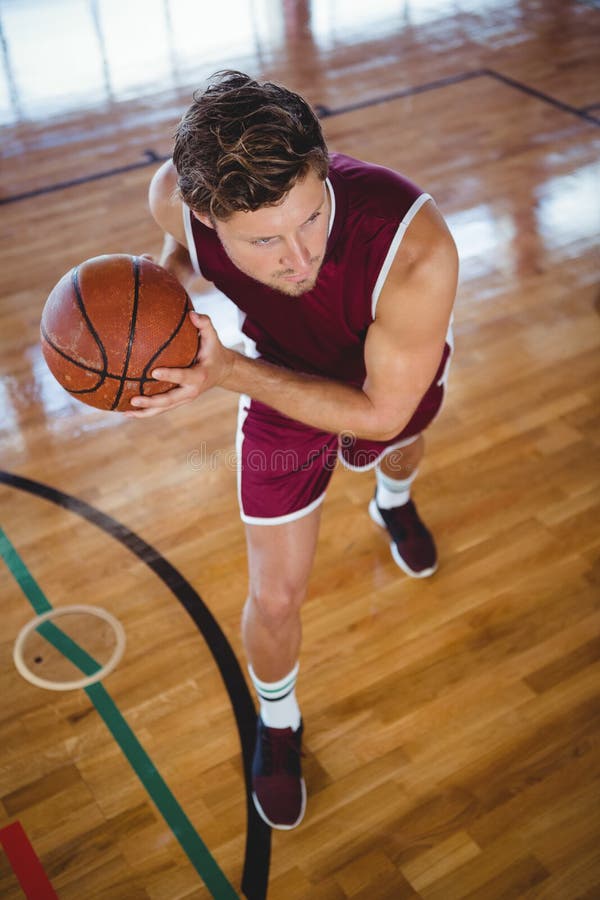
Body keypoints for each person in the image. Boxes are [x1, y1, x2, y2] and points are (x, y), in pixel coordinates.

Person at [127, 70, 458, 830]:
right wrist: (163, 298)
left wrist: (227, 372)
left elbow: (380, 412)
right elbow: (176, 250)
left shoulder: (413, 247)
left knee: (401, 446)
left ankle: (393, 502)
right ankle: (278, 724)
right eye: (266, 240)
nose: (299, 256)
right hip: (282, 382)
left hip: (385, 383)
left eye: (311, 219)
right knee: (275, 595)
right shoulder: (174, 200)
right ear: (207, 214)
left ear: (324, 165)